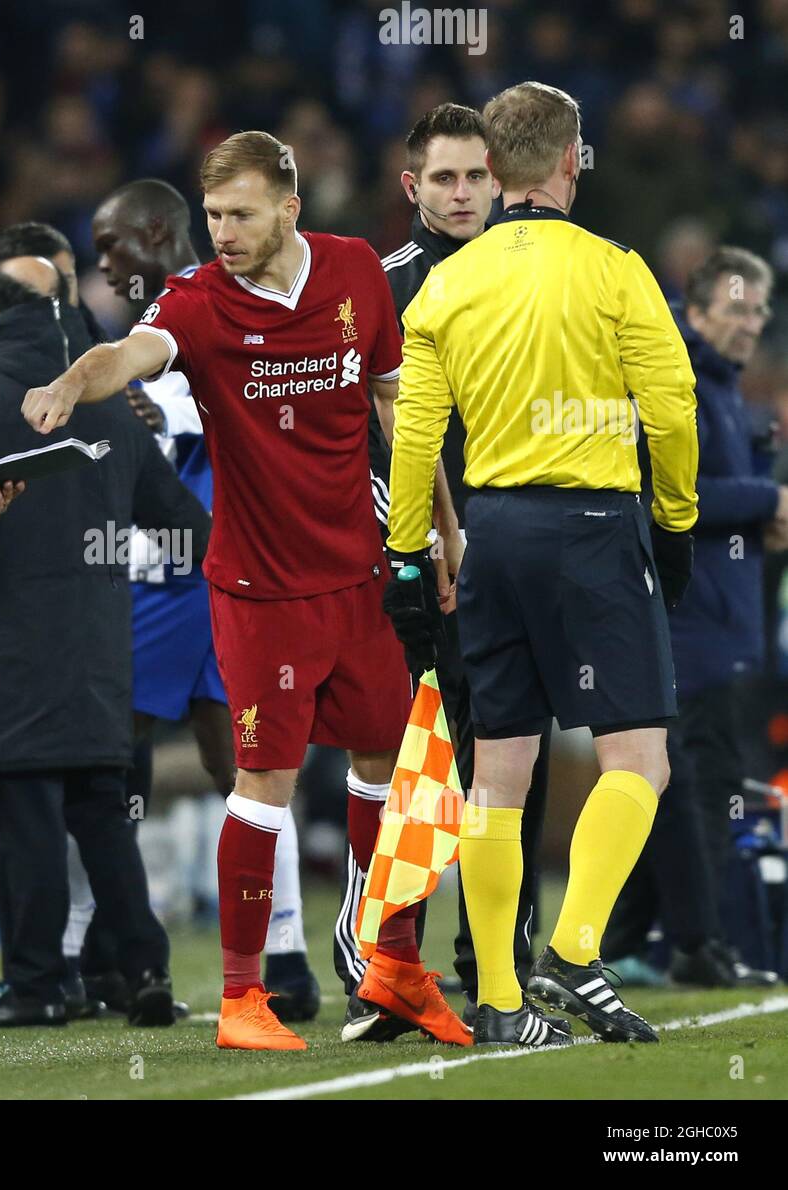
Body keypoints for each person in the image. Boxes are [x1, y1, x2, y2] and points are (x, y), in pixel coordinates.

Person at [22, 130, 469, 1051]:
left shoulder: (352, 274)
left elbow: (397, 409)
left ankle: (391, 968)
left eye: (242, 215)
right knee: (262, 786)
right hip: (260, 592)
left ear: (289, 209)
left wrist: (443, 526)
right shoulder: (197, 302)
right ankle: (241, 998)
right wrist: (74, 379)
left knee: (389, 774)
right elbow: (129, 355)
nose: (223, 232)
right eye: (214, 214)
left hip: (361, 576)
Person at [383, 81, 698, 1047]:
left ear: (499, 166)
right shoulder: (614, 270)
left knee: (499, 778)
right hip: (594, 530)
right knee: (639, 760)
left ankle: (502, 1002)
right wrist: (676, 521)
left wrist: (406, 555)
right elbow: (674, 405)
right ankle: (572, 949)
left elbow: (415, 431)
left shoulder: (447, 283)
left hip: (489, 539)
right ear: (571, 161)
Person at [0, 255, 210, 1028]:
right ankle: (143, 971)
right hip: (97, 648)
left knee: (25, 819)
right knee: (102, 815)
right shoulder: (111, 404)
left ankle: (39, 983)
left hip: (2, 645)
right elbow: (187, 529)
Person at [332, 103, 552, 1038]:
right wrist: (411, 546)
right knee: (422, 767)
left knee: (514, 768)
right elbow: (360, 439)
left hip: (515, 550)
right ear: (411, 187)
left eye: (477, 178)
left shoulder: (540, 272)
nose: (463, 195)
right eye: (445, 180)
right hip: (419, 565)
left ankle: (500, 972)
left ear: (499, 181)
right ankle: (395, 974)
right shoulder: (379, 289)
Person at [88, 177, 321, 1021]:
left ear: (155, 232)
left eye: (114, 245)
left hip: (194, 580)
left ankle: (117, 957)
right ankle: (276, 961)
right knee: (226, 769)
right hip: (206, 576)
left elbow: (230, 406)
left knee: (141, 764)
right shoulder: (180, 319)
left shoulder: (207, 311)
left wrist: (158, 411)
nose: (106, 265)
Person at [605, 246, 781, 988]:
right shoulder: (672, 379)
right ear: (698, 310)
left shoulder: (725, 389)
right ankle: (702, 948)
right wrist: (765, 499)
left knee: (678, 786)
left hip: (719, 619)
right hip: (687, 623)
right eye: (737, 308)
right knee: (702, 784)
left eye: (760, 308)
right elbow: (666, 493)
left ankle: (616, 942)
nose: (751, 322)